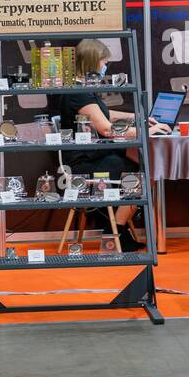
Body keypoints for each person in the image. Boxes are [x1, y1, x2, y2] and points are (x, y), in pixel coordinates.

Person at [57, 39, 170, 251]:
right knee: (139, 176)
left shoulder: (80, 88)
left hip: (92, 156)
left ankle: (114, 228)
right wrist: (147, 130)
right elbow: (107, 129)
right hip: (83, 164)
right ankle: (114, 231)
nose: (105, 66)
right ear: (93, 62)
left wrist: (138, 117)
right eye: (103, 61)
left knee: (132, 166)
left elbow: (105, 115)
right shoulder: (78, 93)